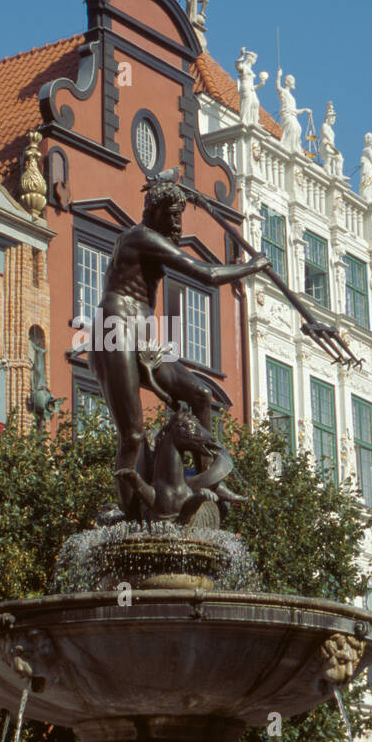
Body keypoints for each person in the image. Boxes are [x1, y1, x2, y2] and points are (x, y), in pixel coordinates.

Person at [86, 179, 268, 518]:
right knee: (134, 434)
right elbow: (206, 273)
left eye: (179, 216)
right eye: (171, 216)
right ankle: (128, 512)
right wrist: (252, 266)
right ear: (153, 213)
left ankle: (208, 482)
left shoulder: (153, 239)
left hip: (142, 336)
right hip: (114, 331)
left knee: (200, 394)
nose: (177, 224)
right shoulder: (140, 238)